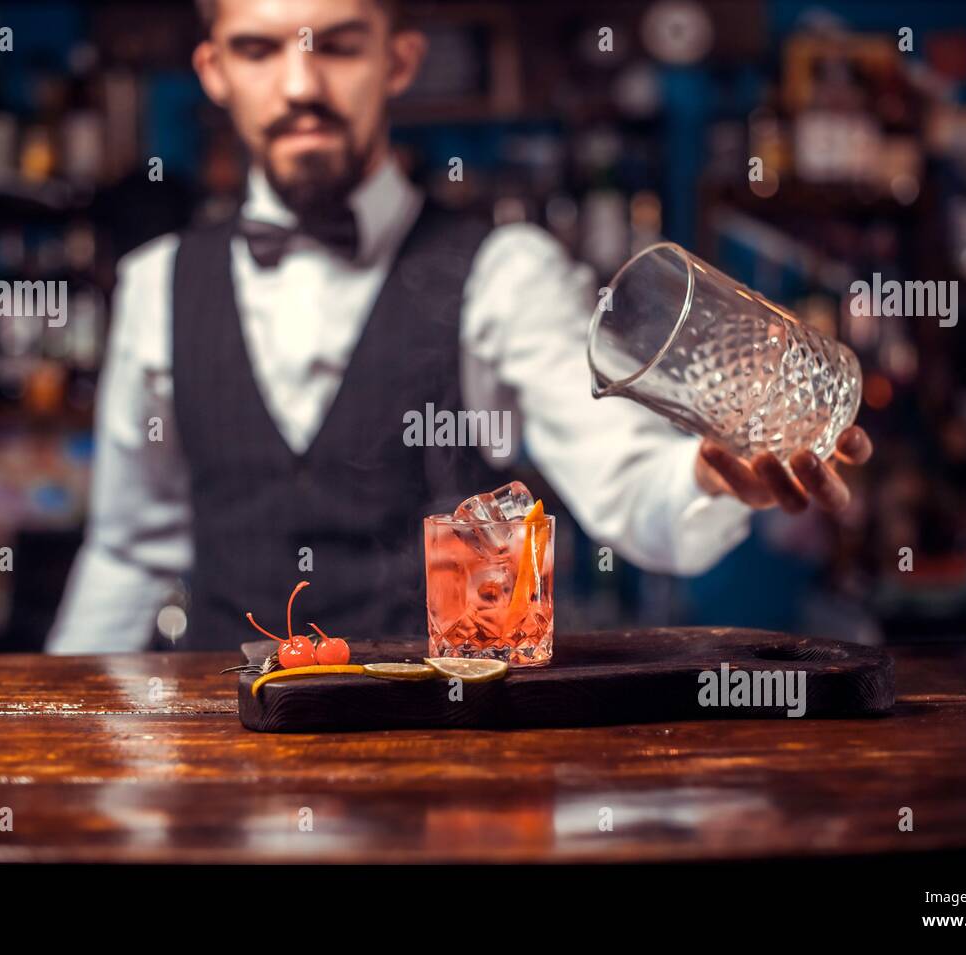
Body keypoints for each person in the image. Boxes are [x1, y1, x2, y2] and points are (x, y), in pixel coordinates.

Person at [47, 0, 872, 653]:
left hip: (446, 767)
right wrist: (48, 736)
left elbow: (628, 489)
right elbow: (127, 553)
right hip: (226, 760)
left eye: (338, 44)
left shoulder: (505, 269)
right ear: (214, 70)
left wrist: (709, 480)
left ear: (399, 59)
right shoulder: (156, 284)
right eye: (259, 49)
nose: (300, 84)